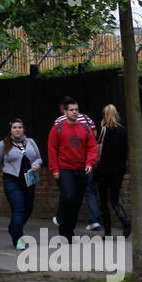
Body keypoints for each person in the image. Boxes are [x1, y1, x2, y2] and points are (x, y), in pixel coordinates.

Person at [0, 118, 42, 249]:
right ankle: (18, 239)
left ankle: (13, 227)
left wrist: (36, 164)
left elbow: (39, 158)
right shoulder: (3, 145)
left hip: (30, 179)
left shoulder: (31, 142)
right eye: (14, 127)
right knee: (19, 209)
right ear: (10, 130)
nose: (17, 130)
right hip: (12, 181)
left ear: (24, 129)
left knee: (28, 209)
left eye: (20, 127)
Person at [48, 98, 97, 241]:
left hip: (81, 169)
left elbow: (92, 147)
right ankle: (64, 229)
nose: (75, 112)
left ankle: (69, 230)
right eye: (71, 110)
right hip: (64, 168)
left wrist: (90, 163)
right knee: (68, 196)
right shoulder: (58, 128)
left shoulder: (85, 128)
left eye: (76, 109)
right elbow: (52, 149)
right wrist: (54, 169)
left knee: (77, 201)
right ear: (65, 111)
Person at [94, 104, 131, 237]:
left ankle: (108, 231)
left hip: (104, 170)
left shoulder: (103, 130)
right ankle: (125, 220)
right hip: (118, 171)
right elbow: (125, 151)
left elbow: (98, 149)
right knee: (114, 200)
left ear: (104, 115)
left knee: (104, 202)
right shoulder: (123, 131)